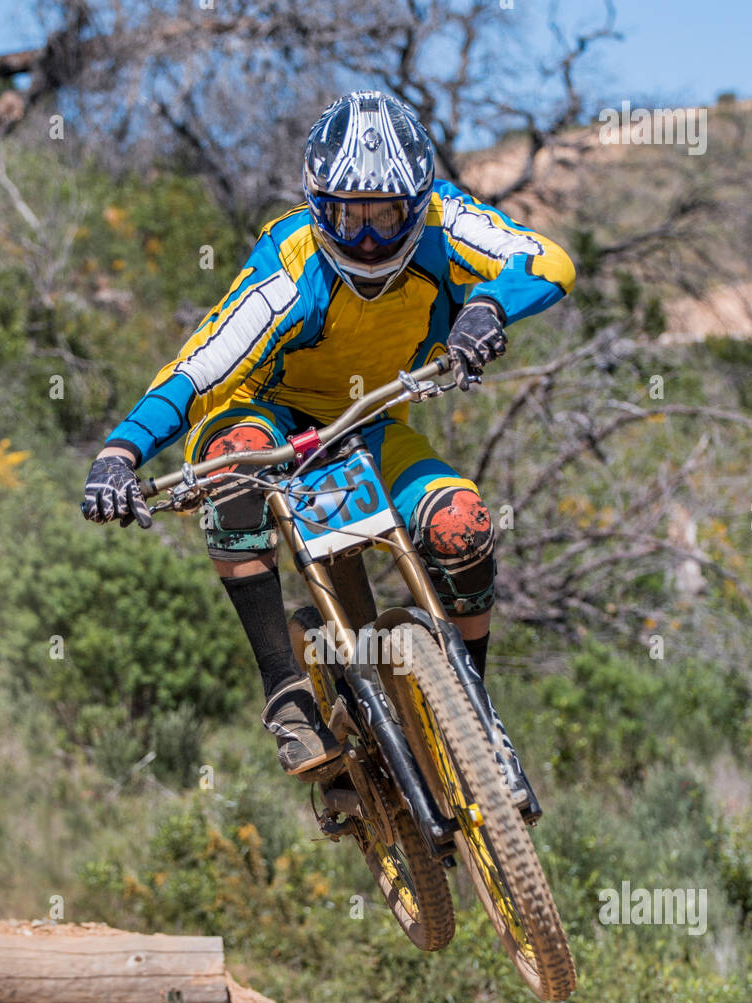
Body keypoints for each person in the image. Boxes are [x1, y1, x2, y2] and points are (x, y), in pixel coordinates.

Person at [82, 90, 575, 776]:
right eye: (349, 215)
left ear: (418, 200)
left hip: (368, 421)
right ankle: (285, 690)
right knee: (234, 465)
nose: (369, 237)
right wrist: (119, 453)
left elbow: (548, 260)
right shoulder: (289, 265)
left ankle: (476, 710)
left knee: (463, 526)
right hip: (264, 415)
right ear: (319, 206)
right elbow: (199, 371)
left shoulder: (447, 221)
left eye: (386, 216)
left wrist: (488, 304)